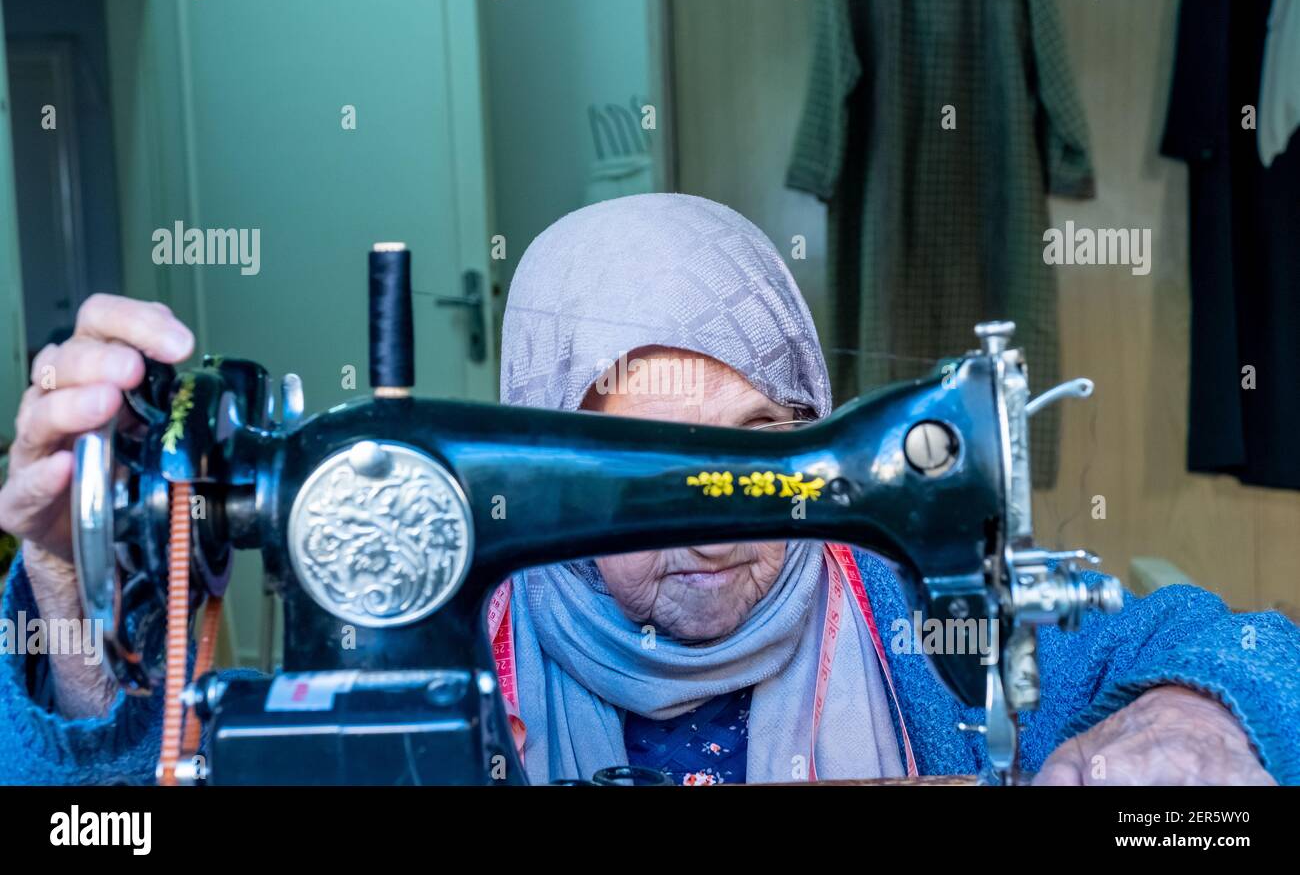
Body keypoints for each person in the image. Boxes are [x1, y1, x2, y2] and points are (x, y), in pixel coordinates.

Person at [1, 194, 1295, 785]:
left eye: (762, 441)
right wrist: (67, 590)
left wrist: (1198, 713)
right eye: (662, 473)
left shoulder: (921, 631)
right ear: (552, 476)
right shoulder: (452, 681)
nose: (726, 523)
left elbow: (1243, 654)